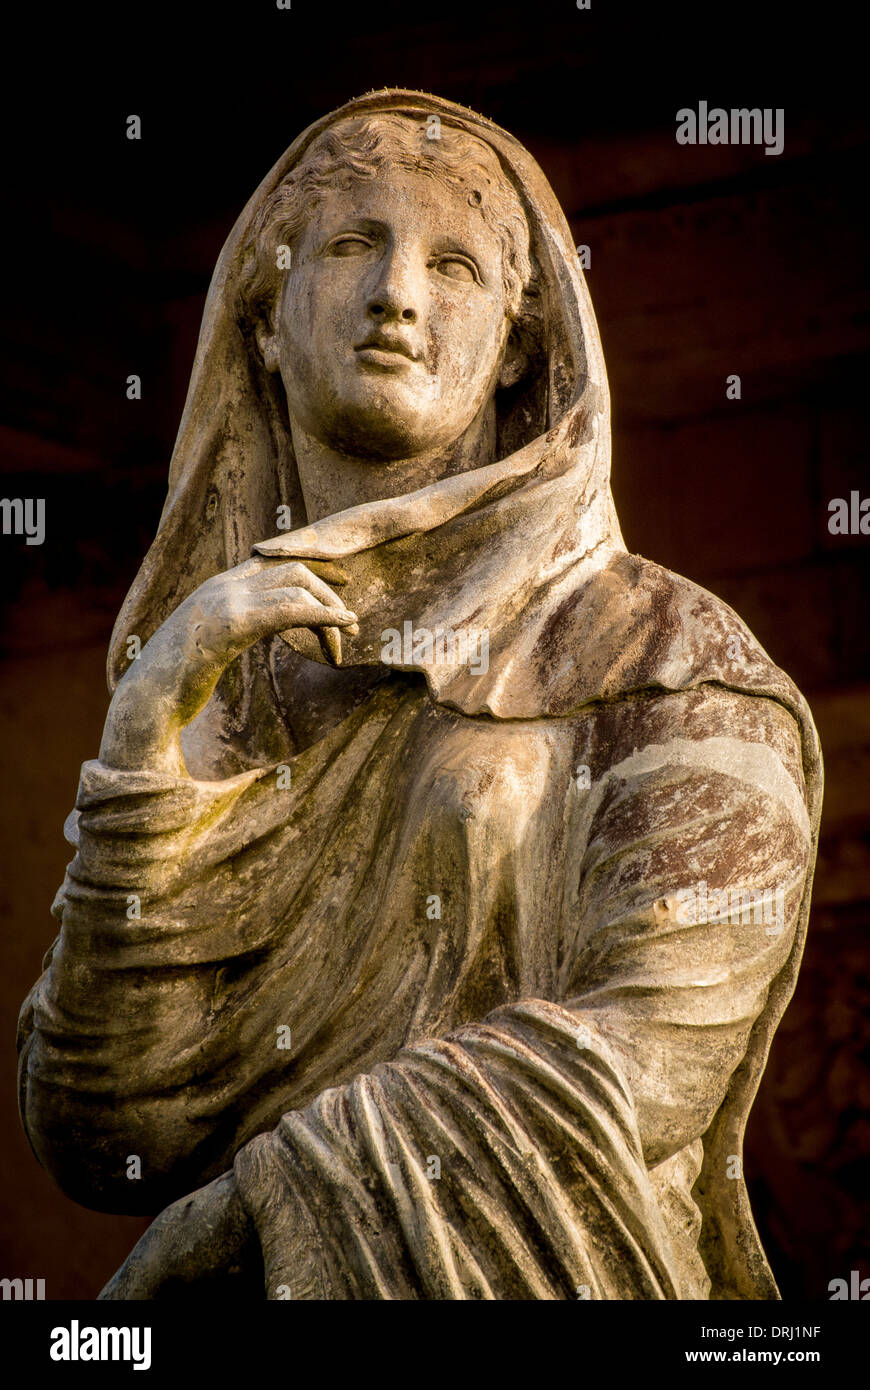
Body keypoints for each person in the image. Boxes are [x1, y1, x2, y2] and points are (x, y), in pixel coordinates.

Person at [17, 90, 822, 1300]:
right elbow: (100, 1129)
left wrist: (259, 1197)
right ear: (265, 324)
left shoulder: (665, 654)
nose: (398, 292)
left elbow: (656, 1060)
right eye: (352, 243)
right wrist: (145, 739)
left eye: (455, 264)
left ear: (516, 347)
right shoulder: (217, 689)